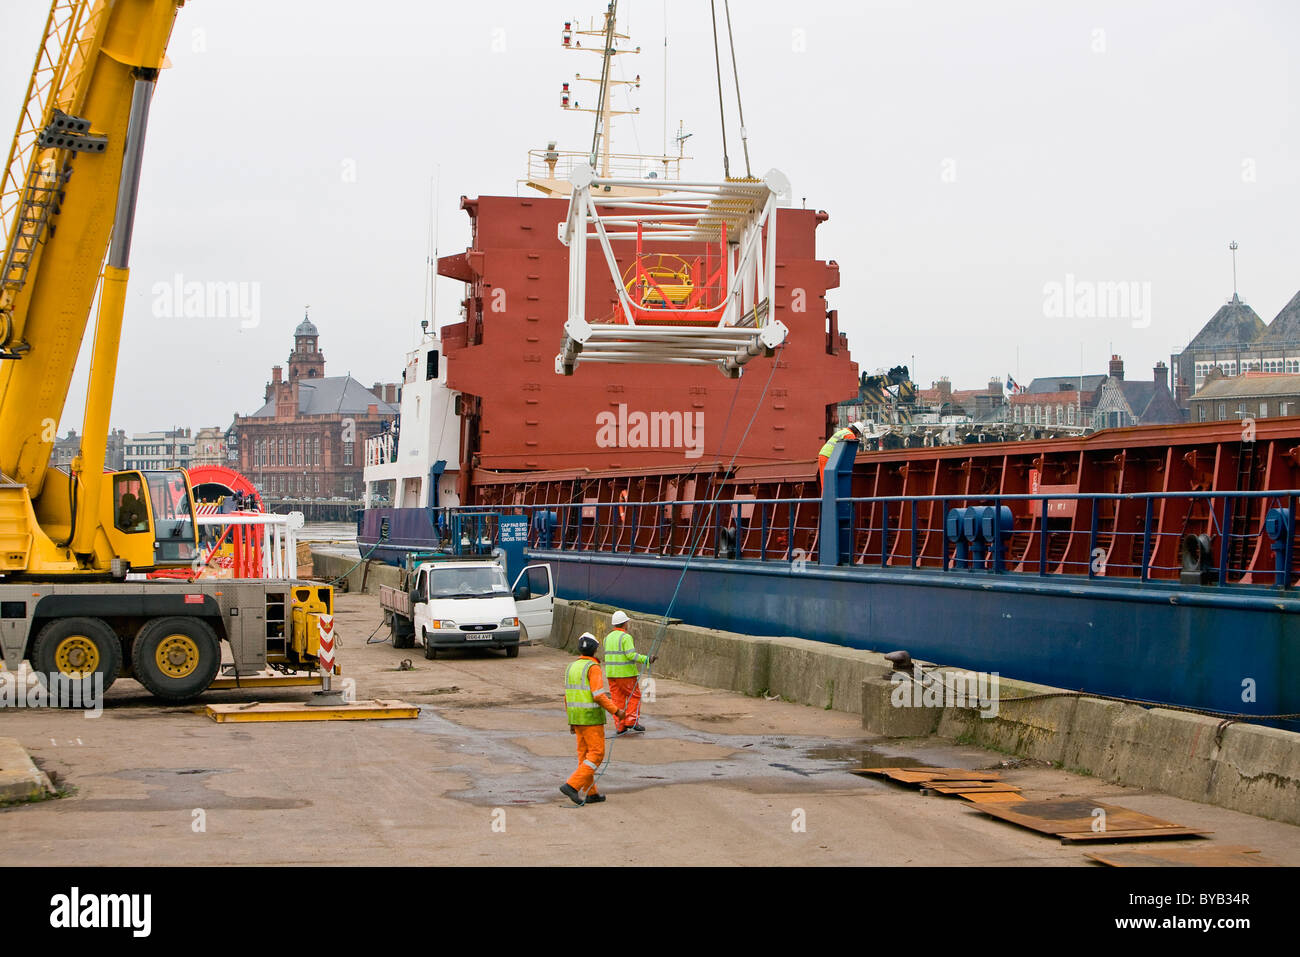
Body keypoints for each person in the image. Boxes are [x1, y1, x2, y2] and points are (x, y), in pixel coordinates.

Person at [561, 632, 625, 805]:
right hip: (590, 719)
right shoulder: (593, 667)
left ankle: (591, 793)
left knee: (584, 756)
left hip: (576, 718)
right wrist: (616, 711)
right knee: (596, 754)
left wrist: (571, 720)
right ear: (595, 650)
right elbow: (598, 695)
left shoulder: (571, 667)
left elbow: (567, 696)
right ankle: (572, 785)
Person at [604, 610, 655, 735]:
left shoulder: (607, 638)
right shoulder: (626, 637)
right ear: (625, 623)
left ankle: (620, 726)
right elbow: (631, 655)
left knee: (617, 700)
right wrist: (647, 659)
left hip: (611, 675)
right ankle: (631, 721)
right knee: (634, 696)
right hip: (625, 674)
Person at [818, 421, 865, 488]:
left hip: (823, 455)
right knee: (828, 484)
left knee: (825, 483)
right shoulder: (850, 435)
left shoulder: (843, 431)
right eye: (859, 435)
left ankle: (824, 494)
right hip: (828, 457)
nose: (857, 436)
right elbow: (849, 452)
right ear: (857, 432)